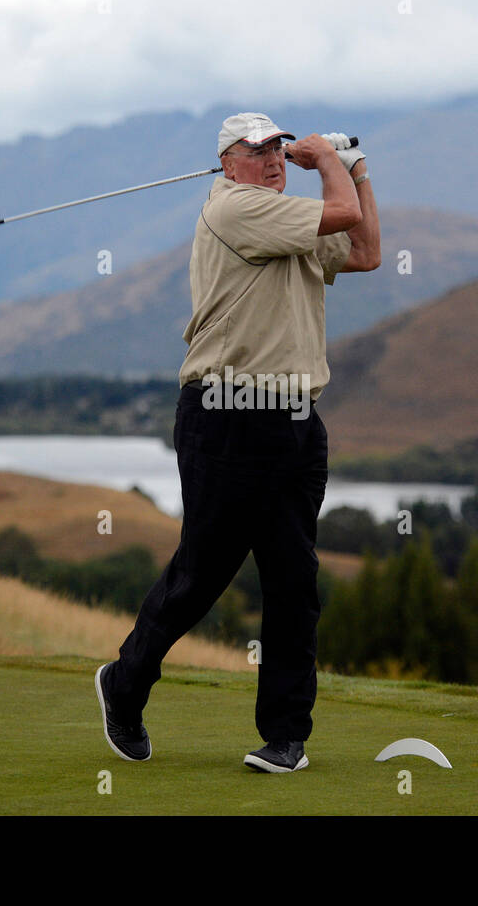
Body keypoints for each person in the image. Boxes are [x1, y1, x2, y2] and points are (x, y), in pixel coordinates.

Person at [95, 112, 380, 772]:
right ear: (228, 164)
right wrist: (329, 160)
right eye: (258, 150)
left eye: (280, 146)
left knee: (293, 580)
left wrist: (360, 169)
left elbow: (365, 251)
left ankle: (285, 737)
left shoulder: (286, 214)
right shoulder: (237, 209)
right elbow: (338, 213)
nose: (275, 157)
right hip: (225, 414)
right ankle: (124, 683)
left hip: (295, 422)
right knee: (202, 574)